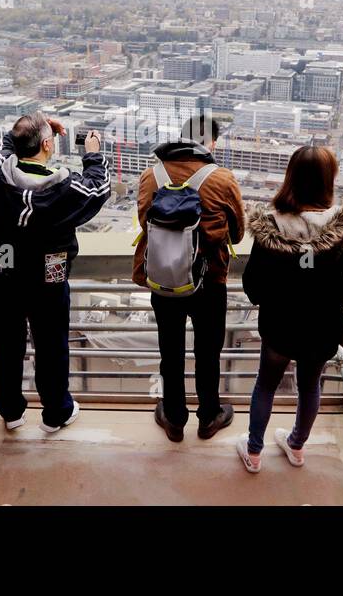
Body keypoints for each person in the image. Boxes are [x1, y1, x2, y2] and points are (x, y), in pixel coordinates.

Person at [235, 146, 343, 473]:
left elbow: (252, 284)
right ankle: (296, 446)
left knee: (265, 384)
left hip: (279, 323)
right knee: (311, 386)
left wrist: (280, 292)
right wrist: (326, 290)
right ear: (329, 179)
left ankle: (254, 452)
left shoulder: (271, 225)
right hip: (323, 325)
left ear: (291, 177)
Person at [0, 113, 110, 432]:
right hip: (47, 273)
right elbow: (99, 188)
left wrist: (32, 129)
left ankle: (10, 412)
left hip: (4, 266)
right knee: (52, 346)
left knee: (4, 344)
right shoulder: (63, 189)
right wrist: (92, 153)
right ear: (48, 145)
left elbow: (4, 142)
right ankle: (55, 412)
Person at [134, 114, 246, 442]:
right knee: (208, 352)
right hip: (209, 279)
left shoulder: (151, 176)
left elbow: (145, 224)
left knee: (170, 351)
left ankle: (173, 417)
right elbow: (238, 234)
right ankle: (209, 416)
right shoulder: (221, 179)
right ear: (209, 143)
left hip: (163, 277)